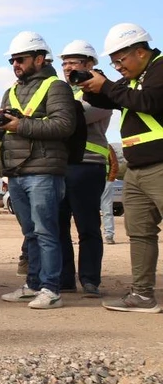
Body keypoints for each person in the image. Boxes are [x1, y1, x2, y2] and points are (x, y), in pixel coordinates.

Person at [80, 23, 163, 313]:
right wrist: (91, 90)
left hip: (161, 166)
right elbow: (118, 100)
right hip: (137, 169)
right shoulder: (132, 80)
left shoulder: (159, 69)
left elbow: (150, 102)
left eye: (120, 60)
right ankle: (142, 295)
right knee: (140, 232)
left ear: (140, 52)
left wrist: (109, 86)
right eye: (112, 61)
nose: (116, 67)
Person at [0, 31, 77, 310]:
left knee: (46, 232)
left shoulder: (56, 87)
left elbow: (64, 126)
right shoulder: (11, 91)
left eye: (21, 59)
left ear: (40, 59)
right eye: (12, 60)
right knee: (30, 233)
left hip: (43, 172)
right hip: (16, 172)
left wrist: (20, 125)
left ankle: (51, 289)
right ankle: (32, 284)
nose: (16, 64)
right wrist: (0, 123)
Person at [57, 40, 111, 298]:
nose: (67, 68)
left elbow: (72, 119)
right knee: (58, 225)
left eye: (73, 62)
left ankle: (90, 280)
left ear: (90, 64)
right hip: (62, 165)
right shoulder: (65, 93)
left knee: (87, 225)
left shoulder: (101, 91)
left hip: (88, 165)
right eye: (64, 63)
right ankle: (65, 279)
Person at [102, 150, 120, 244]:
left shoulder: (108, 147)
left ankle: (109, 235)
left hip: (105, 183)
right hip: (89, 181)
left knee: (107, 209)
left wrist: (110, 180)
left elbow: (114, 164)